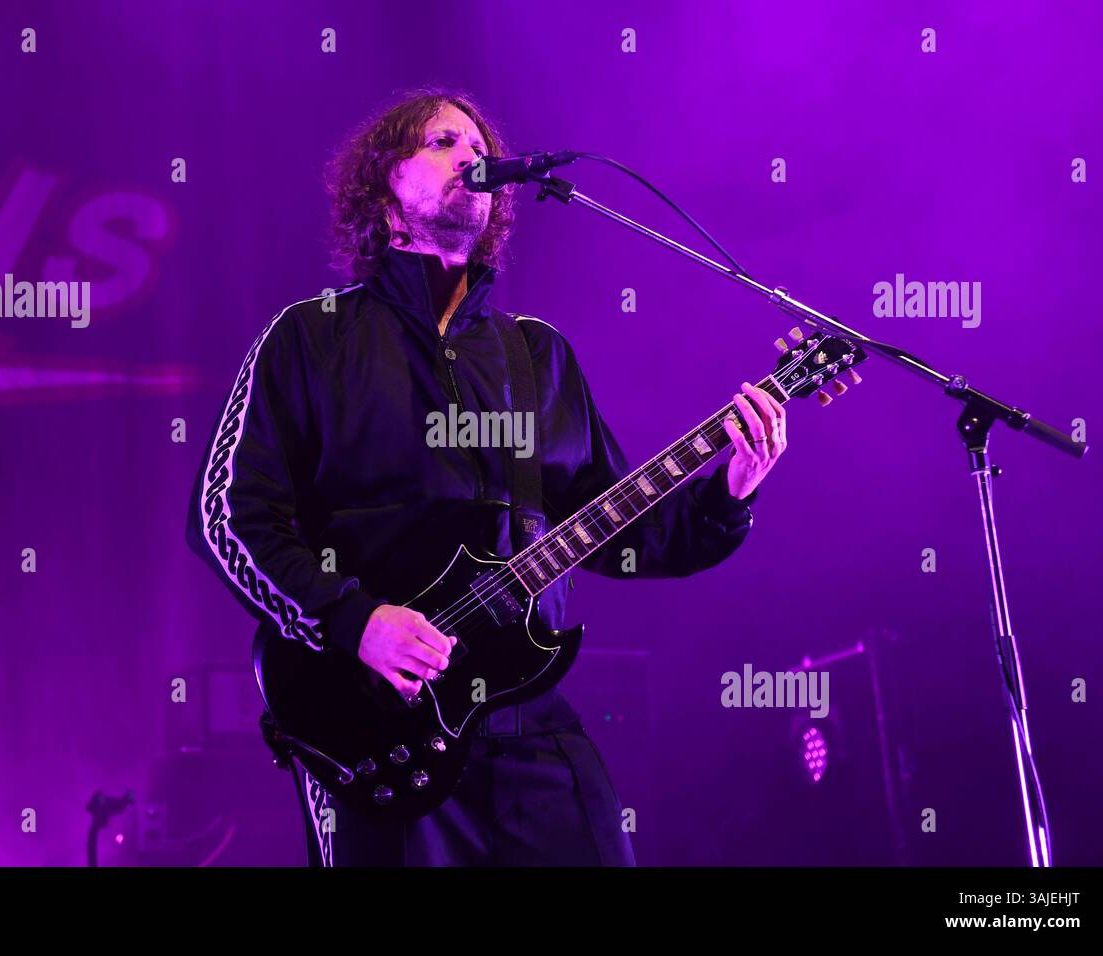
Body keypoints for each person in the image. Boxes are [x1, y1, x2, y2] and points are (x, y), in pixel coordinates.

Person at [187, 89, 787, 866]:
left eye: (477, 144)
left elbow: (625, 534)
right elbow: (228, 518)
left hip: (527, 719)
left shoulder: (537, 356)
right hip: (373, 728)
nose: (470, 155)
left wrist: (729, 492)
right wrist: (355, 620)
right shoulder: (311, 337)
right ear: (384, 189)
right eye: (440, 141)